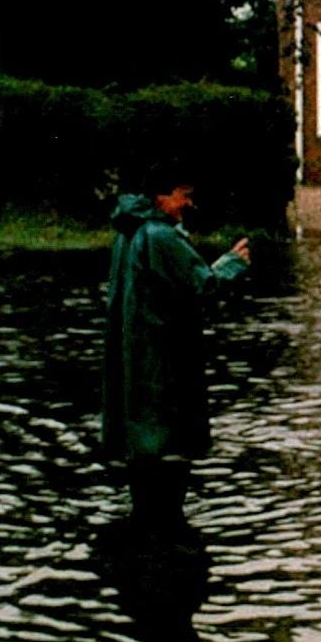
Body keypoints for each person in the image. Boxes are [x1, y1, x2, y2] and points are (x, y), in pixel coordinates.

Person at [102, 164, 251, 525]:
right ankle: (168, 537)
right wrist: (233, 263)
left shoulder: (129, 231)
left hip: (135, 357)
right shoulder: (160, 236)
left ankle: (144, 535)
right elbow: (203, 285)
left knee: (141, 451)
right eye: (184, 195)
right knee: (169, 450)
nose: (189, 203)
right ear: (160, 196)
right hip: (162, 359)